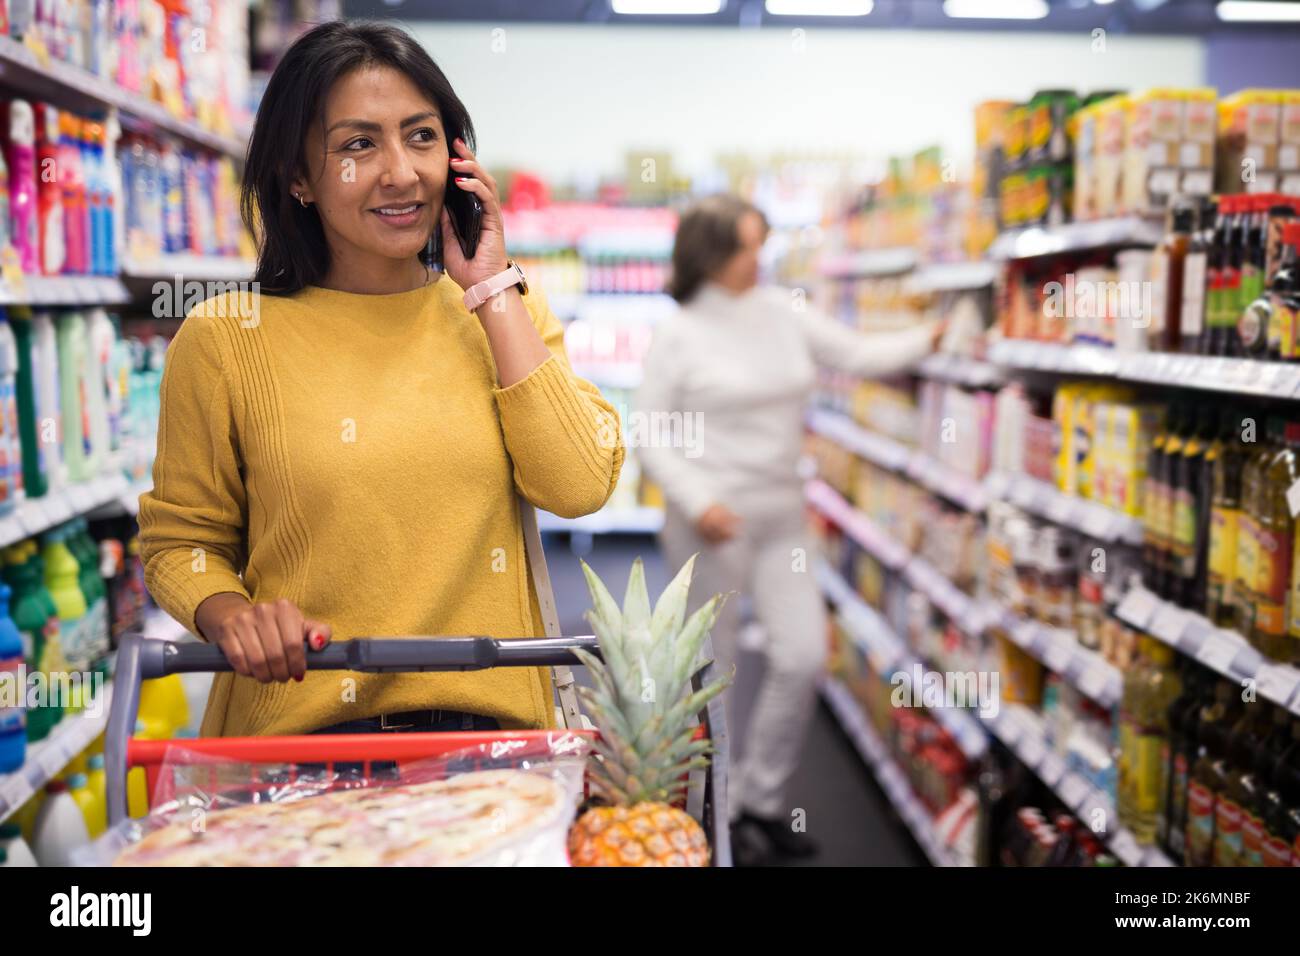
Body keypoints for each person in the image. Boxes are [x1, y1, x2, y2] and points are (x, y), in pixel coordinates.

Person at [137, 20, 624, 737]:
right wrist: (234, 616)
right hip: (299, 742)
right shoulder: (223, 339)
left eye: (422, 136)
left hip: (491, 740)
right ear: (298, 177)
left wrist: (491, 289)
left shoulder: (501, 311)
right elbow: (182, 541)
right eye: (358, 144)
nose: (402, 172)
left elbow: (579, 486)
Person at [636, 194, 942, 865]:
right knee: (712, 671)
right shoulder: (680, 332)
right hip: (709, 523)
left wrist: (936, 336)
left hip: (782, 515)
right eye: (750, 247)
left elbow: (859, 354)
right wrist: (696, 498)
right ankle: (705, 812)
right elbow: (650, 430)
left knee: (802, 654)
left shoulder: (782, 312)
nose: (761, 259)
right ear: (713, 253)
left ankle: (761, 801)